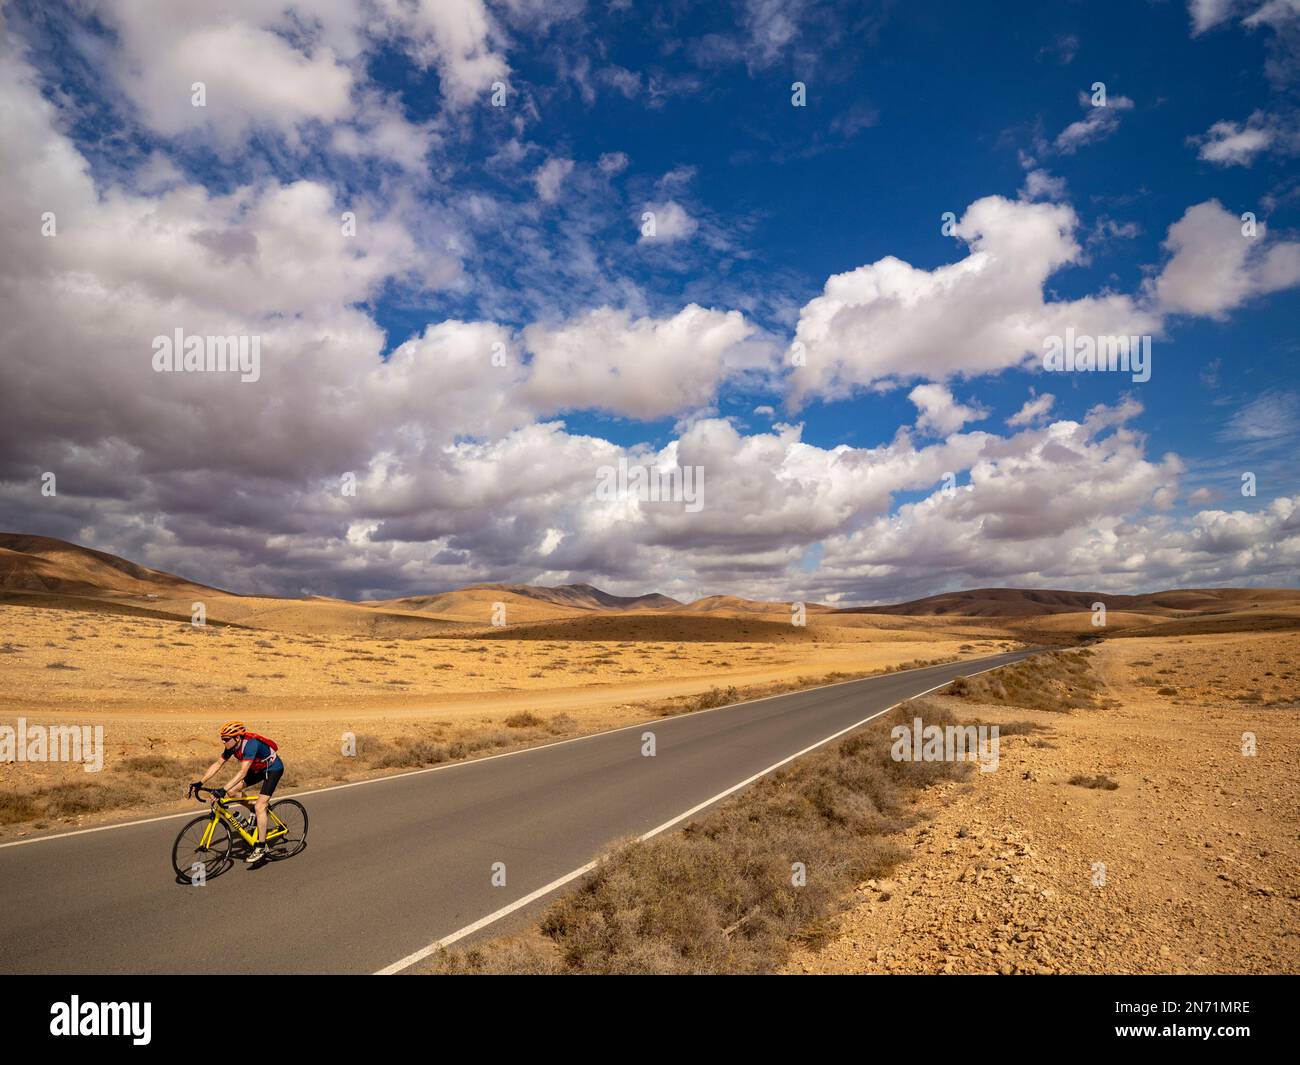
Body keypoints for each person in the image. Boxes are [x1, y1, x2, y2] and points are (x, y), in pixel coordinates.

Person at [189, 720, 284, 864]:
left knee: (260, 806)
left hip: (272, 769)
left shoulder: (251, 745)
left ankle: (261, 846)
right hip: (258, 769)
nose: (223, 742)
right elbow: (218, 764)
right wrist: (200, 782)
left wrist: (222, 789)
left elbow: (243, 772)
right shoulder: (232, 746)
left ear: (237, 738)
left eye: (226, 739)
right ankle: (254, 811)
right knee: (233, 791)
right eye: (222, 739)